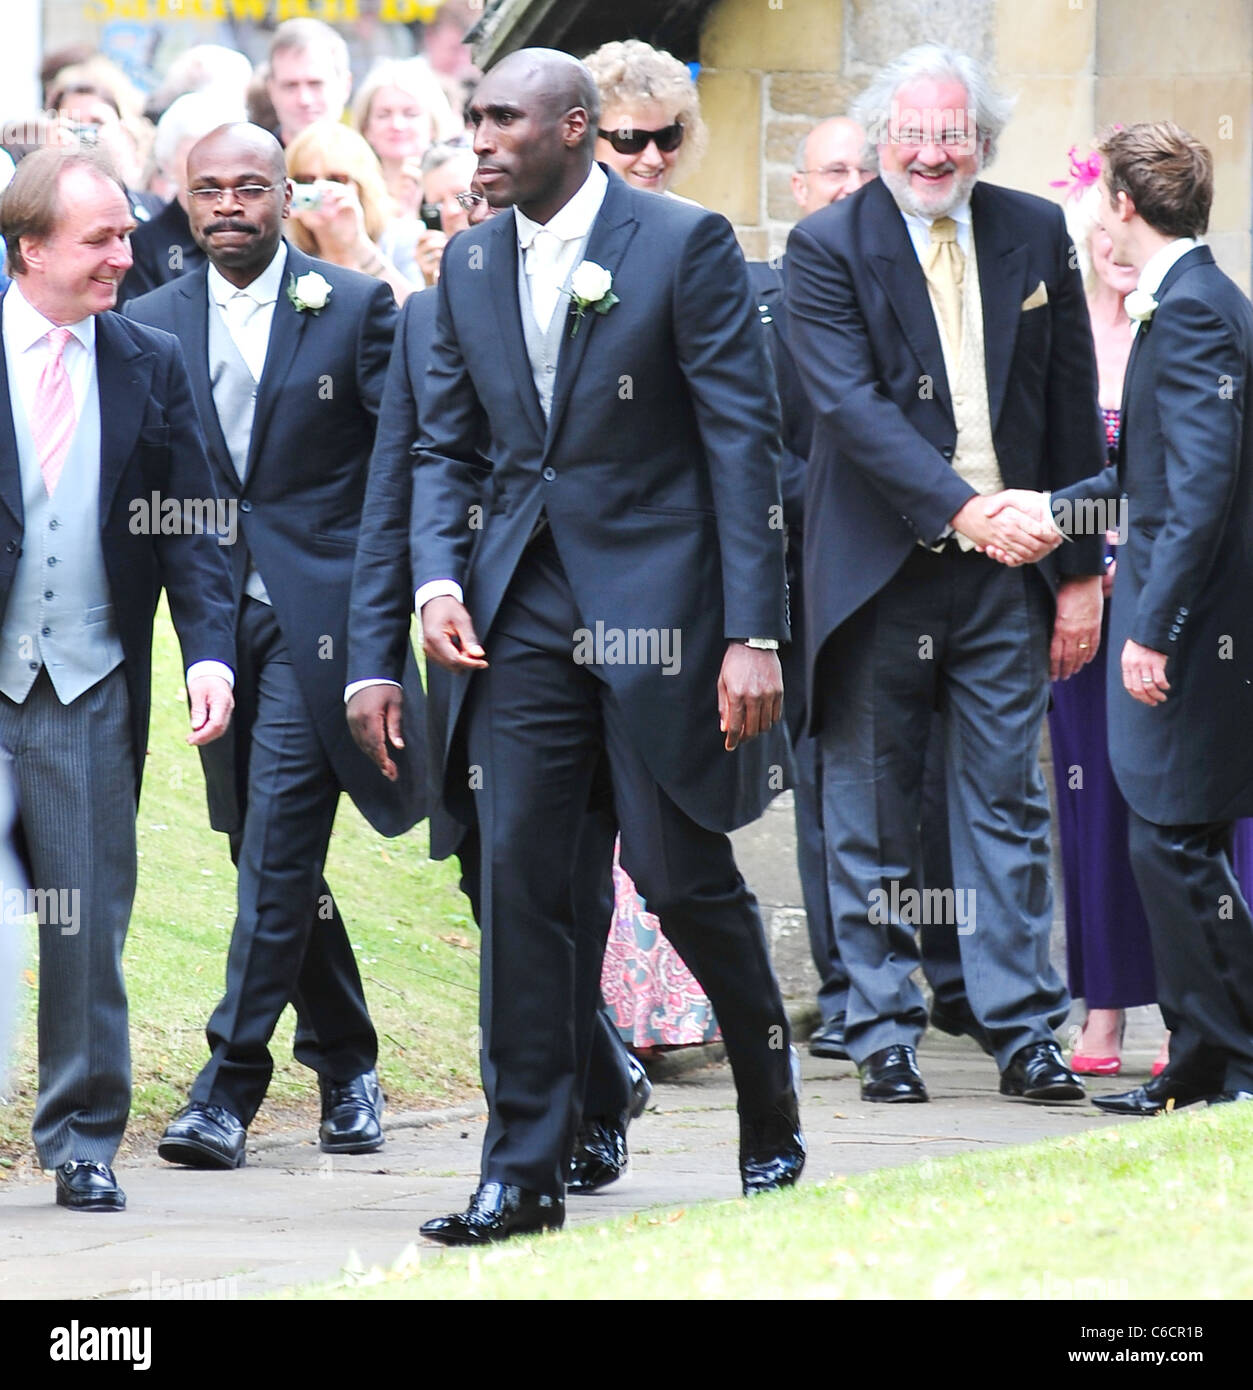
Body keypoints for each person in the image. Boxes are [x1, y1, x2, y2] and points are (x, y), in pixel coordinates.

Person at [411, 47, 802, 1245]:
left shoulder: (681, 244)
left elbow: (746, 444)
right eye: (471, 117)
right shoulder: (470, 259)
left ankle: (769, 1110)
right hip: (518, 612)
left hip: (664, 617)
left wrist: (751, 632)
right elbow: (447, 444)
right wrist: (436, 573)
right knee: (526, 883)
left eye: (500, 119)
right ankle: (521, 1171)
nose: (477, 137)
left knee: (685, 880)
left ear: (573, 127)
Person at [786, 44, 1107, 1106]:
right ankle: (880, 1026)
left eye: (952, 131)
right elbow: (850, 410)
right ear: (883, 137)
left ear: (980, 139)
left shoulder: (1033, 230)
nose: (932, 151)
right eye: (914, 132)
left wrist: (1078, 567)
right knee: (866, 808)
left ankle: (1023, 1029)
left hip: (1007, 576)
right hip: (882, 571)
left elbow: (1066, 405)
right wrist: (964, 511)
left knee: (1009, 803)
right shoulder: (824, 244)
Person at [124, 123, 425, 1170]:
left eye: (250, 188)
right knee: (264, 849)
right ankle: (346, 1058)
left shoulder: (350, 307)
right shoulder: (148, 319)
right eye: (207, 190)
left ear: (283, 195)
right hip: (213, 619)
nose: (227, 207)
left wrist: (391, 619)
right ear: (182, 195)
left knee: (280, 835)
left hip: (324, 617)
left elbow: (398, 477)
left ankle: (228, 1085)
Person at [994, 122, 1253, 1115]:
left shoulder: (1189, 313)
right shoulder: (1190, 300)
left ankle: (1223, 1058)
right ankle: (1201, 1058)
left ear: (1122, 206)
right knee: (1167, 840)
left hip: (1185, 627)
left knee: (1173, 843)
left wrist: (1152, 628)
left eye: (1102, 196)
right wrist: (1053, 510)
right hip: (1183, 615)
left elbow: (1193, 497)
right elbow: (1145, 479)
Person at [0, 146, 236, 1210]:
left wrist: (211, 651)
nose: (124, 255)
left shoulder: (147, 359)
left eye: (126, 234)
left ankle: (84, 1136)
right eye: (99, 239)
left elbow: (194, 524)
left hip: (87, 681)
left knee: (86, 919)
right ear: (31, 246)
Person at [755, 114, 988, 1066]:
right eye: (833, 171)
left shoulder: (915, 282)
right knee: (833, 787)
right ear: (801, 188)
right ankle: (853, 988)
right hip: (820, 570)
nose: (852, 184)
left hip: (937, 568)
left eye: (864, 167)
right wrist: (859, 504)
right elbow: (758, 449)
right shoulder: (764, 299)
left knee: (939, 778)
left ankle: (960, 978)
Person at [582, 38, 721, 1071]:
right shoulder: (516, 248)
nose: (648, 155)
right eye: (626, 137)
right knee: (550, 854)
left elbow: (735, 437)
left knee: (670, 849)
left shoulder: (693, 245)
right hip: (551, 591)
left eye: (666, 136)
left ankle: (706, 1033)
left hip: (665, 585)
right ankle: (591, 1057)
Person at [1042, 155, 1168, 1078]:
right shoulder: (1056, 343)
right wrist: (1089, 563)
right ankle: (1104, 1012)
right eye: (1097, 228)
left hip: (1182, 610)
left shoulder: (1189, 327)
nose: (1112, 248)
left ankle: (1210, 1010)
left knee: (1201, 810)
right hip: (1082, 611)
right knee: (1095, 807)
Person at [119, 92, 247, 307]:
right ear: (168, 163)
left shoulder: (251, 234)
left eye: (222, 155)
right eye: (194, 156)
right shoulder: (147, 246)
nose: (210, 169)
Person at [285, 120, 419, 304]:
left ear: (362, 187)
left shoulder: (400, 239)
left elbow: (418, 314)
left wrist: (358, 244)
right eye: (306, 180)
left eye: (336, 179)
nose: (319, 189)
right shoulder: (286, 251)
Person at [585, 38, 707, 199]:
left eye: (668, 137)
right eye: (629, 139)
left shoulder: (695, 222)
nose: (654, 159)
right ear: (585, 138)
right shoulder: (552, 221)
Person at [353, 58, 462, 221]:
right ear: (366, 128)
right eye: (383, 115)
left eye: (410, 114)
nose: (397, 125)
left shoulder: (458, 187)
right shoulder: (354, 191)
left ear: (433, 125)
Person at [266, 18, 353, 147]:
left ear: (345, 86)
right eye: (290, 86)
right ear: (271, 90)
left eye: (315, 84)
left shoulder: (373, 164)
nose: (304, 100)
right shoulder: (254, 164)